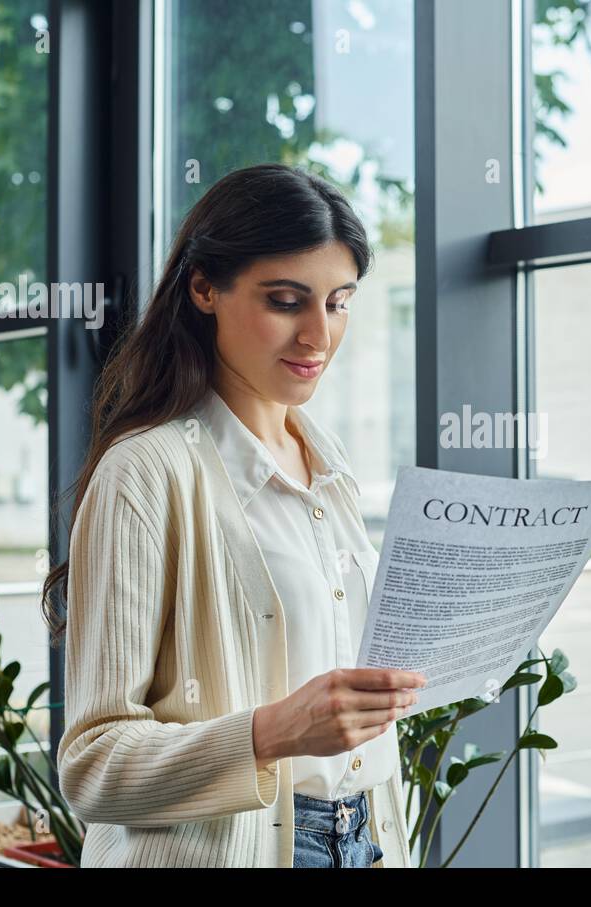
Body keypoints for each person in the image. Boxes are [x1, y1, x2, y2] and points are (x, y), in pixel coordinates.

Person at [42, 163, 426, 868]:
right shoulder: (146, 473)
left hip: (365, 839)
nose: (318, 335)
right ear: (203, 288)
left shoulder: (326, 459)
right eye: (286, 301)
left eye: (338, 303)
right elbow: (92, 765)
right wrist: (273, 731)